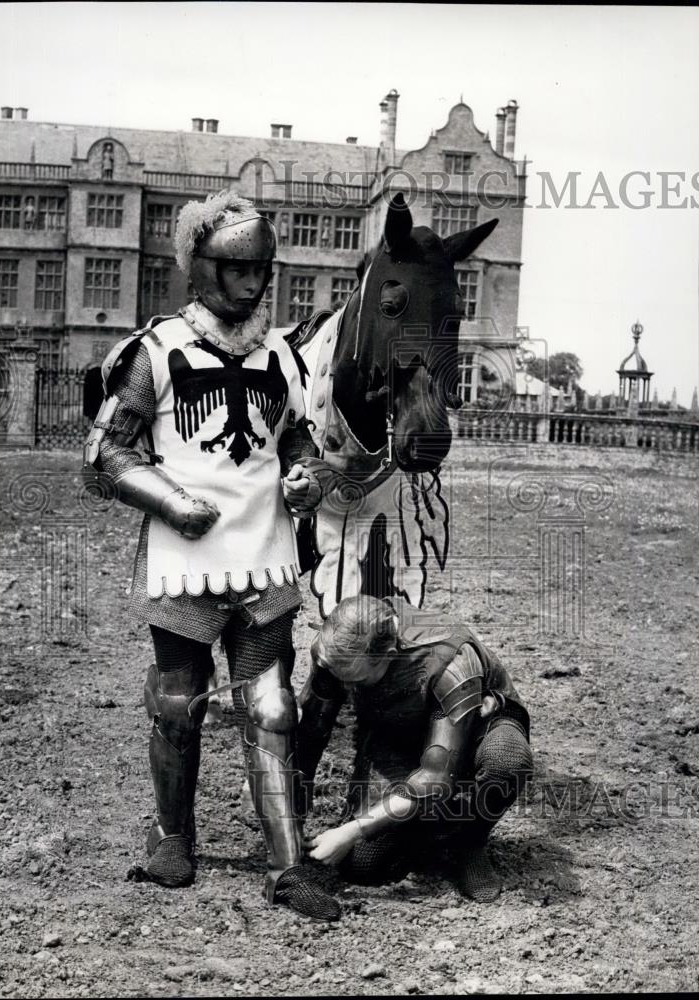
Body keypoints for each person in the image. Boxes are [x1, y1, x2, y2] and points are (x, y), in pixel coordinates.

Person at [82, 190, 340, 921]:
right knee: (177, 704)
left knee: (271, 704)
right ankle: (173, 842)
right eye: (234, 270)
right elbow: (103, 451)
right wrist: (168, 502)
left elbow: (300, 442)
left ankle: (288, 863)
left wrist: (304, 481)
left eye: (260, 270)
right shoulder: (156, 350)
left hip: (264, 556)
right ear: (200, 269)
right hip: (184, 559)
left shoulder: (281, 354)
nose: (251, 285)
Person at [298, 595, 533, 902]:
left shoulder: (450, 660)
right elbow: (312, 729)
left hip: (476, 728)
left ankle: (468, 841)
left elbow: (436, 777)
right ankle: (432, 831)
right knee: (363, 864)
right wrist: (290, 802)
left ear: (390, 655)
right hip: (398, 733)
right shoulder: (336, 650)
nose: (348, 689)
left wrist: (350, 831)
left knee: (506, 759)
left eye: (358, 679)